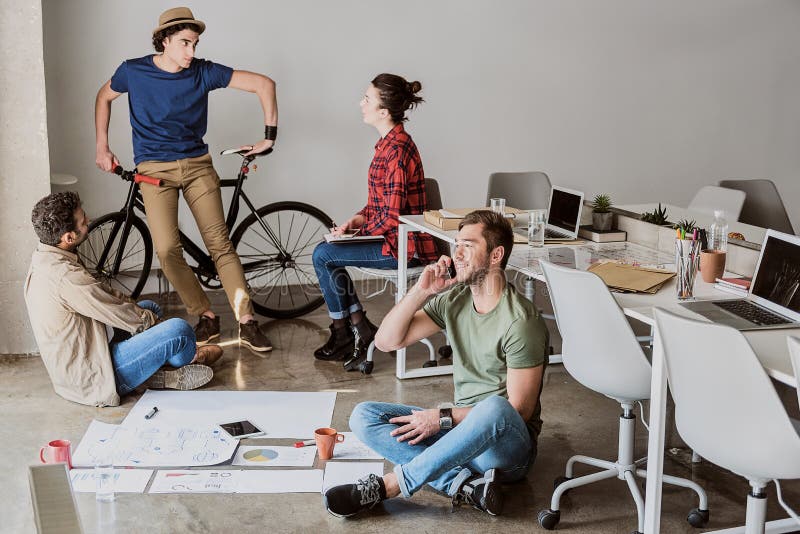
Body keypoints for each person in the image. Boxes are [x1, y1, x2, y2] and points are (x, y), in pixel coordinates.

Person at [323, 211, 549, 517]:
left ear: (496, 255)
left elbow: (517, 411)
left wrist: (441, 418)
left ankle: (391, 485)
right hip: (459, 433)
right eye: (456, 244)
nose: (456, 253)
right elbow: (388, 342)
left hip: (503, 451)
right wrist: (422, 291)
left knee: (495, 407)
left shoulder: (521, 321)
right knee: (364, 416)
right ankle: (465, 487)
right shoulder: (454, 299)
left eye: (468, 245)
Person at [94, 7, 275, 351]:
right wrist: (102, 146)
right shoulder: (133, 71)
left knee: (219, 244)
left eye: (195, 43)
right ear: (164, 41)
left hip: (197, 166)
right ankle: (205, 314)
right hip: (153, 171)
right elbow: (103, 97)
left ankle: (248, 322)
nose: (192, 52)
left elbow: (264, 84)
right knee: (166, 249)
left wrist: (269, 135)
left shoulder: (203, 72)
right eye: (184, 43)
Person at [24, 192, 223, 407]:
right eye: (83, 222)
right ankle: (184, 361)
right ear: (69, 237)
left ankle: (150, 368)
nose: (88, 221)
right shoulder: (66, 277)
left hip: (90, 350)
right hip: (97, 376)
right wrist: (154, 325)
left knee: (150, 308)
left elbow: (105, 294)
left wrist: (146, 318)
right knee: (179, 330)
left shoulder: (46, 256)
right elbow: (113, 309)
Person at [312, 73, 438, 370]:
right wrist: (355, 221)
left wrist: (353, 235)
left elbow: (392, 217)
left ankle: (346, 331)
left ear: (384, 112)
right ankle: (356, 327)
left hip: (404, 246)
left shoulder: (396, 150)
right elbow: (379, 205)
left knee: (324, 254)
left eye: (367, 99)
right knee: (327, 254)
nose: (361, 103)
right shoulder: (388, 144)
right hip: (391, 238)